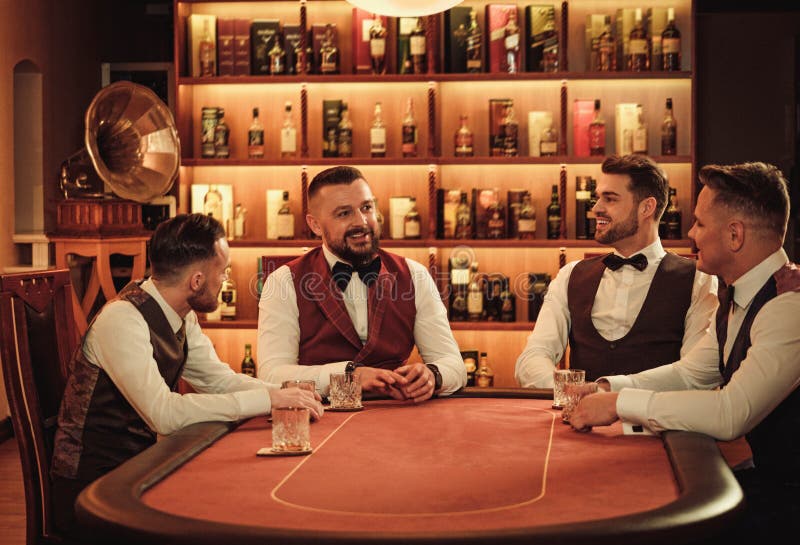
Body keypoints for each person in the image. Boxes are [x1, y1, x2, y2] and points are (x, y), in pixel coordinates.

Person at [50, 213, 323, 536]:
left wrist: (286, 391)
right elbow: (164, 415)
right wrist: (269, 399)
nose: (225, 281)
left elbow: (218, 380)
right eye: (223, 272)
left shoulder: (180, 314)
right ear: (196, 281)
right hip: (96, 489)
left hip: (142, 466)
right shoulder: (121, 320)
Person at [568, 162, 800, 540]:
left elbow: (730, 413)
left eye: (700, 224)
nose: (691, 234)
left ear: (735, 235)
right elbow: (691, 373)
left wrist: (619, 404)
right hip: (767, 486)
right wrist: (608, 387)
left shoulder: (789, 306)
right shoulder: (742, 294)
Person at [258, 166, 467, 401]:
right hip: (320, 415)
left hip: (396, 414)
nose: (361, 221)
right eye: (344, 213)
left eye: (366, 207)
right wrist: (348, 375)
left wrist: (433, 375)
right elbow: (271, 374)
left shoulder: (415, 275)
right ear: (315, 225)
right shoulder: (283, 282)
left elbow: (454, 365)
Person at [515, 154, 718, 387]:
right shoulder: (570, 275)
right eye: (598, 198)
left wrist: (608, 395)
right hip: (580, 411)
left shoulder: (698, 279)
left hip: (656, 412)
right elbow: (532, 359)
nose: (596, 208)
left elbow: (694, 376)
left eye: (610, 199)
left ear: (646, 208)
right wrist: (570, 393)